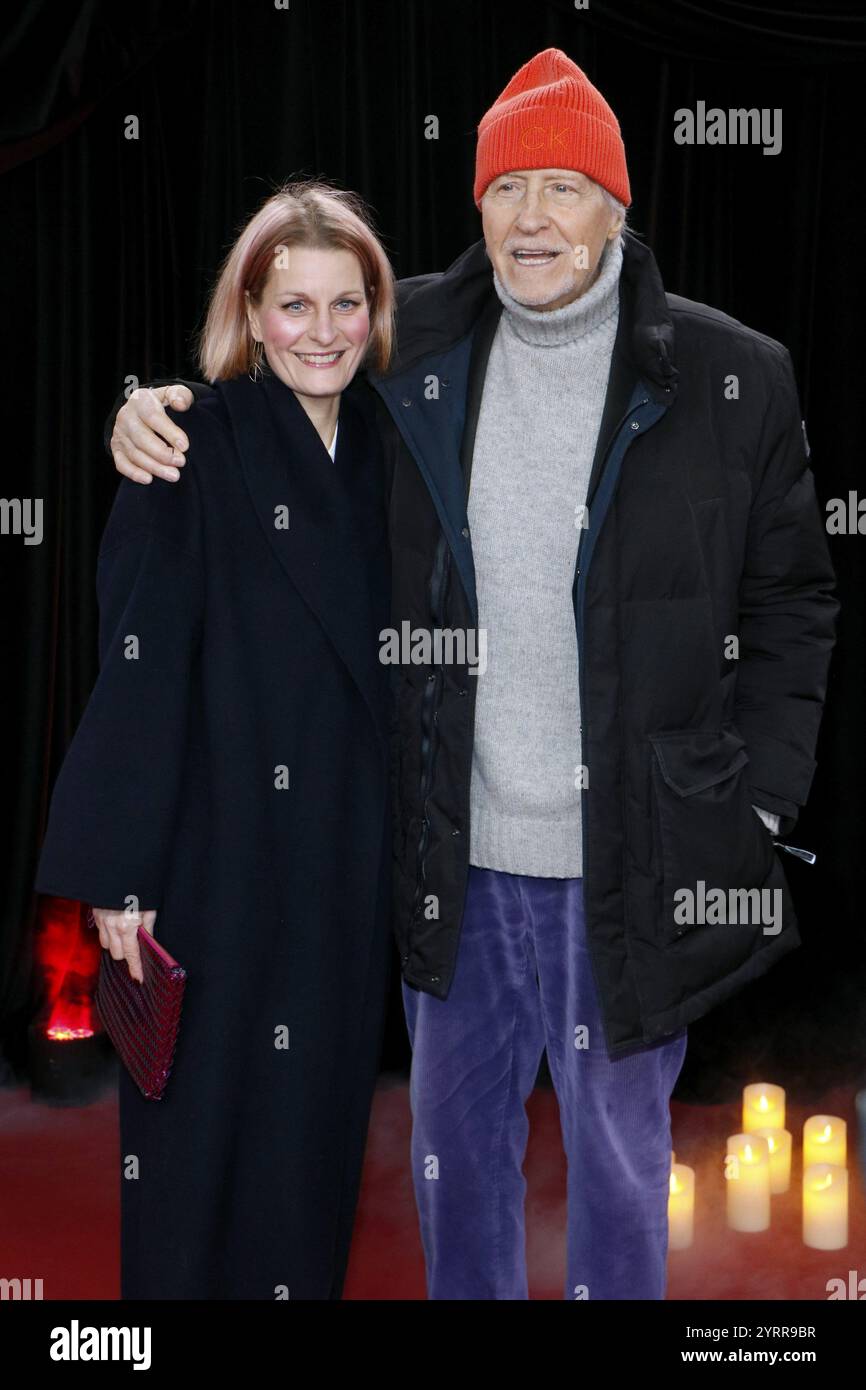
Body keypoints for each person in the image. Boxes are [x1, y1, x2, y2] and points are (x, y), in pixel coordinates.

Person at [106, 49, 839, 1300]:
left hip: (635, 856)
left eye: (564, 187)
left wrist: (757, 802)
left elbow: (792, 602)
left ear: (617, 208)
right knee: (456, 1160)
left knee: (618, 1166)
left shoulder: (732, 377)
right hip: (457, 854)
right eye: (508, 188)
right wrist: (151, 404)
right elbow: (284, 387)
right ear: (477, 206)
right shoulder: (414, 343)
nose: (534, 217)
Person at [35, 181, 397, 1300]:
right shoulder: (191, 437)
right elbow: (136, 669)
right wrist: (123, 879)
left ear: (376, 314)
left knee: (309, 1162)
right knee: (192, 1167)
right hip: (210, 872)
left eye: (347, 304)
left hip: (342, 878)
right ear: (249, 312)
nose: (323, 332)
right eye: (294, 306)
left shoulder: (401, 450)